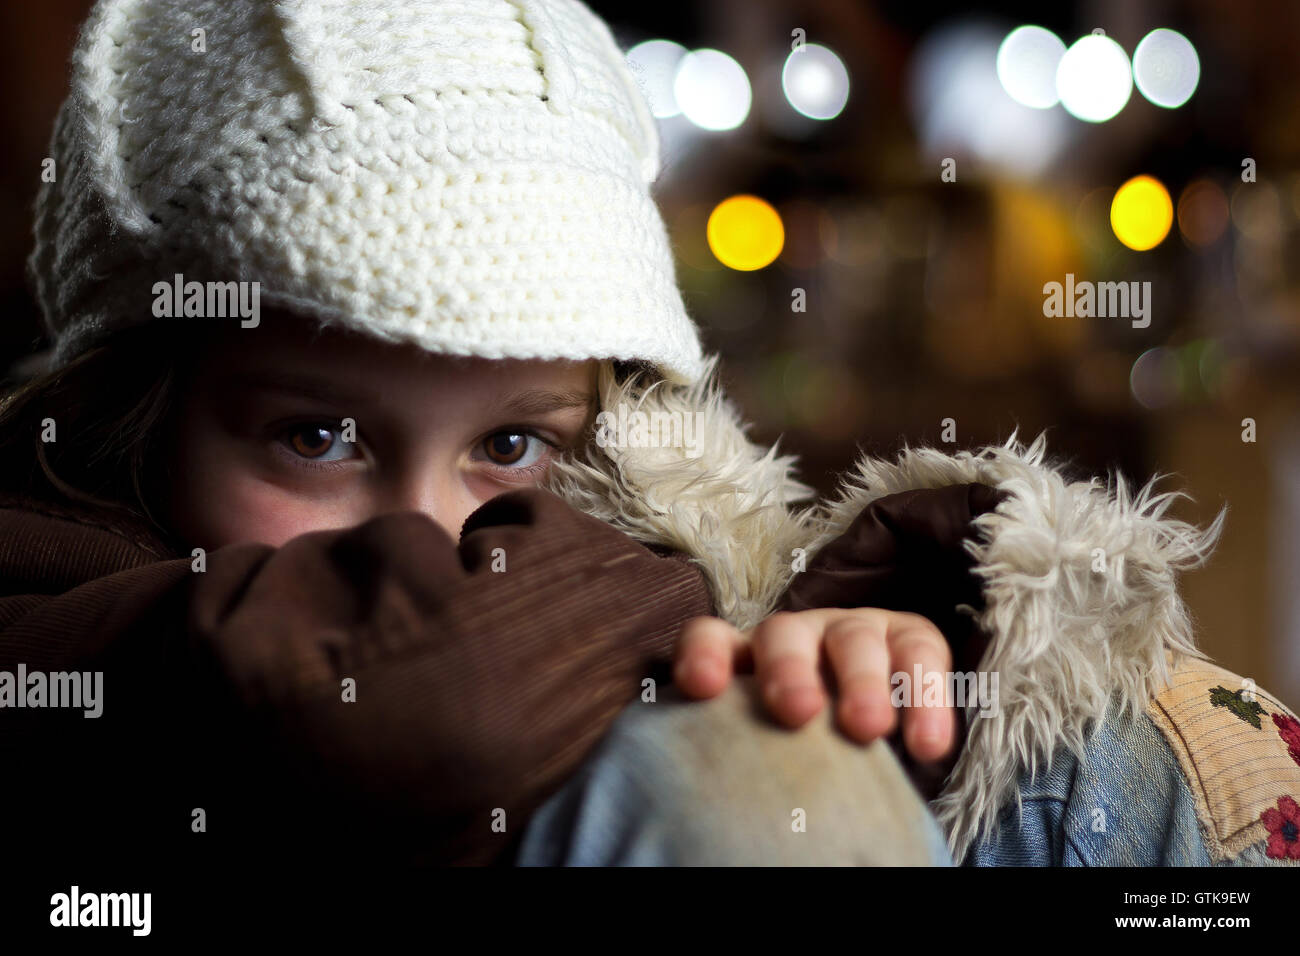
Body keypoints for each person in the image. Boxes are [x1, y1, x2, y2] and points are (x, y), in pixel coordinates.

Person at [1, 0, 957, 868]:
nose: (429, 538)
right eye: (318, 440)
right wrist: (712, 598)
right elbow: (439, 678)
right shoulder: (45, 621)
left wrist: (832, 664)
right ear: (131, 422)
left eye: (508, 449)